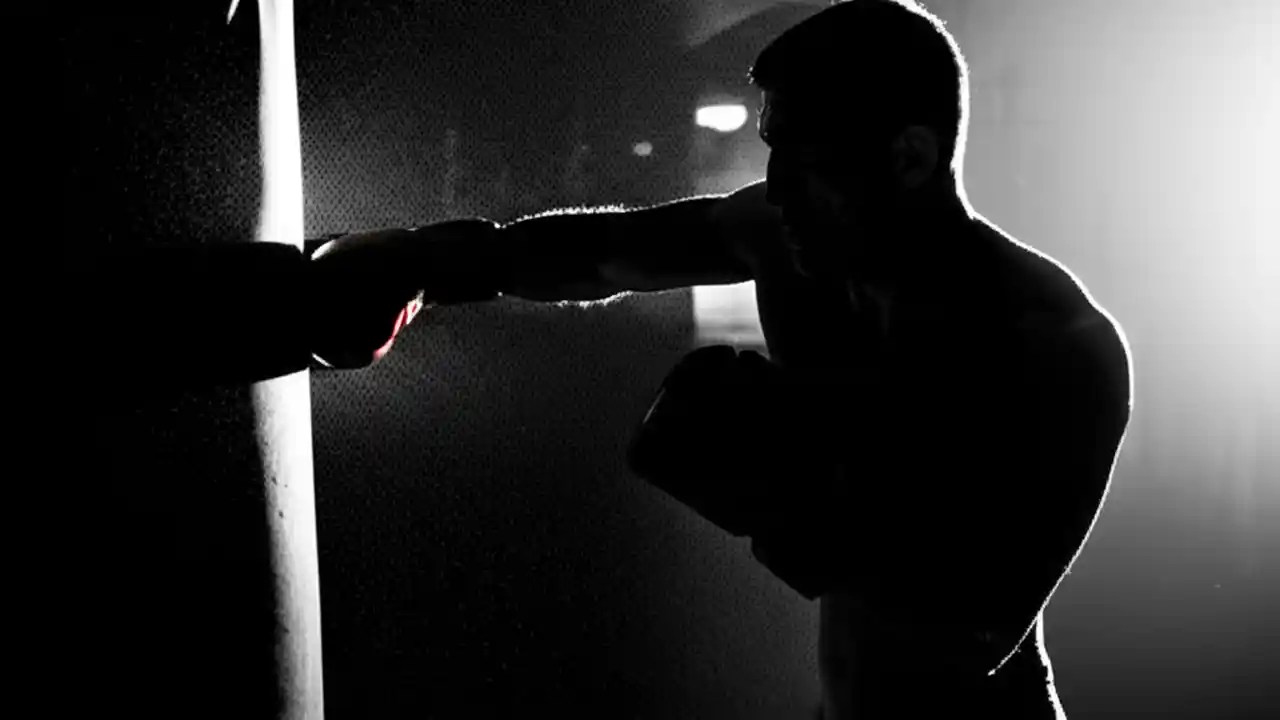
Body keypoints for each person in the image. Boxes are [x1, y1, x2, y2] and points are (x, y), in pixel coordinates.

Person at [303, 1, 1133, 717]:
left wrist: (798, 482)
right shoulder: (791, 235)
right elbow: (610, 252)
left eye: (804, 163)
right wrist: (425, 264)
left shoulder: (1054, 348)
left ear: (910, 158)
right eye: (773, 152)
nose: (774, 190)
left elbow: (974, 625)